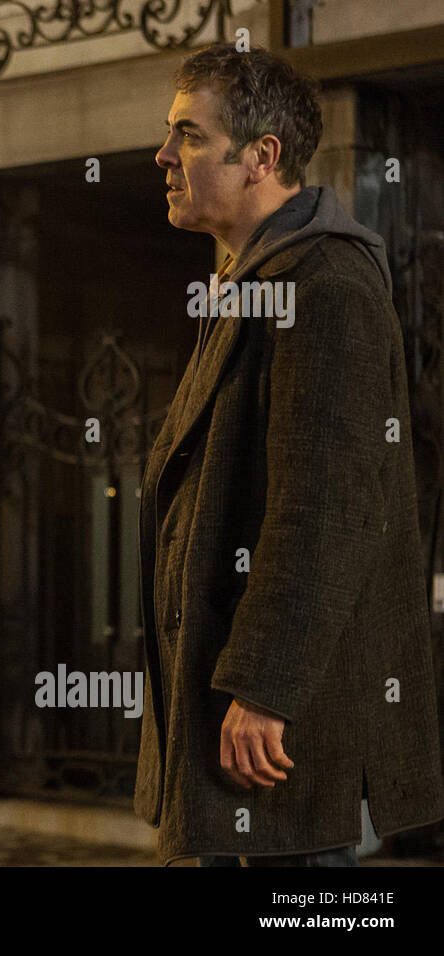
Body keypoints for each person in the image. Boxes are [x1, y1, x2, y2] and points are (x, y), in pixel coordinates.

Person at [137, 43, 444, 866]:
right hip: (236, 723)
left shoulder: (326, 287)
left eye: (190, 137)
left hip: (286, 732)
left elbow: (328, 507)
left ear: (260, 158)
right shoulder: (254, 278)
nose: (165, 156)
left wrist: (265, 686)